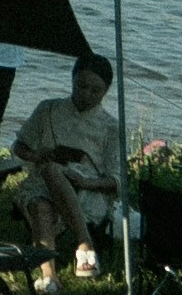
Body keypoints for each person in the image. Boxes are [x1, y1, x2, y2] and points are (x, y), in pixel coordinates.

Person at [20, 54, 123, 273]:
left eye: (95, 90)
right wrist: (37, 155)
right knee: (44, 191)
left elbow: (117, 181)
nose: (86, 94)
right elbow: (19, 146)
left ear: (105, 92)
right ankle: (55, 270)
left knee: (50, 176)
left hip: (88, 189)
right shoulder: (48, 109)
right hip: (45, 184)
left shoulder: (111, 127)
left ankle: (73, 251)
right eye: (81, 86)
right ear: (73, 80)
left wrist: (85, 182)